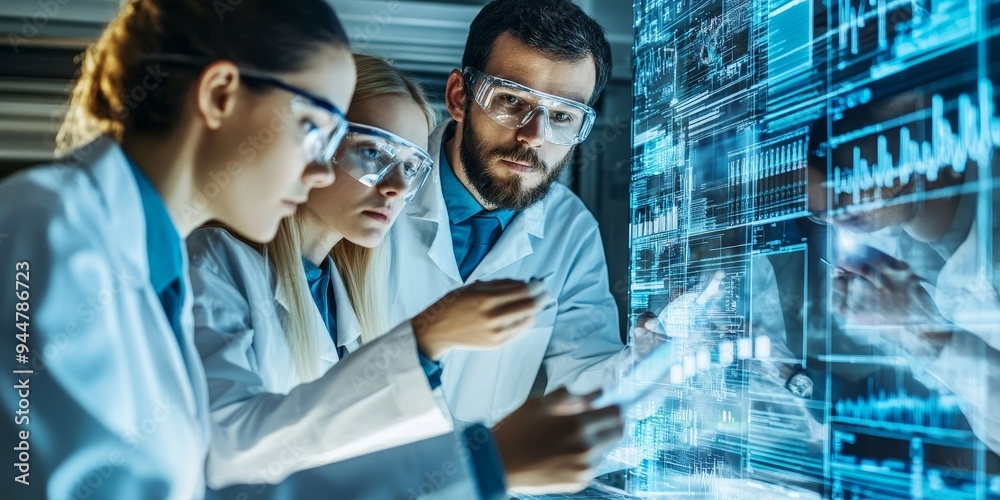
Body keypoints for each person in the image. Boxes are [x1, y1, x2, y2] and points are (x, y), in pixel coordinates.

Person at [188, 54, 624, 497]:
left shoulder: (344, 291)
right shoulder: (213, 265)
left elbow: (358, 459)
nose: (396, 186)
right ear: (314, 143)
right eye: (372, 152)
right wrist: (425, 343)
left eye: (413, 166)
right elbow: (233, 451)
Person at [0, 0, 357, 496]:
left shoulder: (162, 273)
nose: (323, 172)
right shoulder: (46, 227)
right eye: (315, 130)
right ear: (219, 94)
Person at [387, 0, 632, 427]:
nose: (535, 136)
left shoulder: (570, 231)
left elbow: (584, 389)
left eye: (561, 115)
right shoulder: (377, 185)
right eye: (511, 100)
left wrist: (651, 358)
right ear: (459, 97)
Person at [806, 93, 1000, 454]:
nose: (837, 214)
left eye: (847, 175)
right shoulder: (885, 248)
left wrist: (923, 332)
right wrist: (904, 331)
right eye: (822, 213)